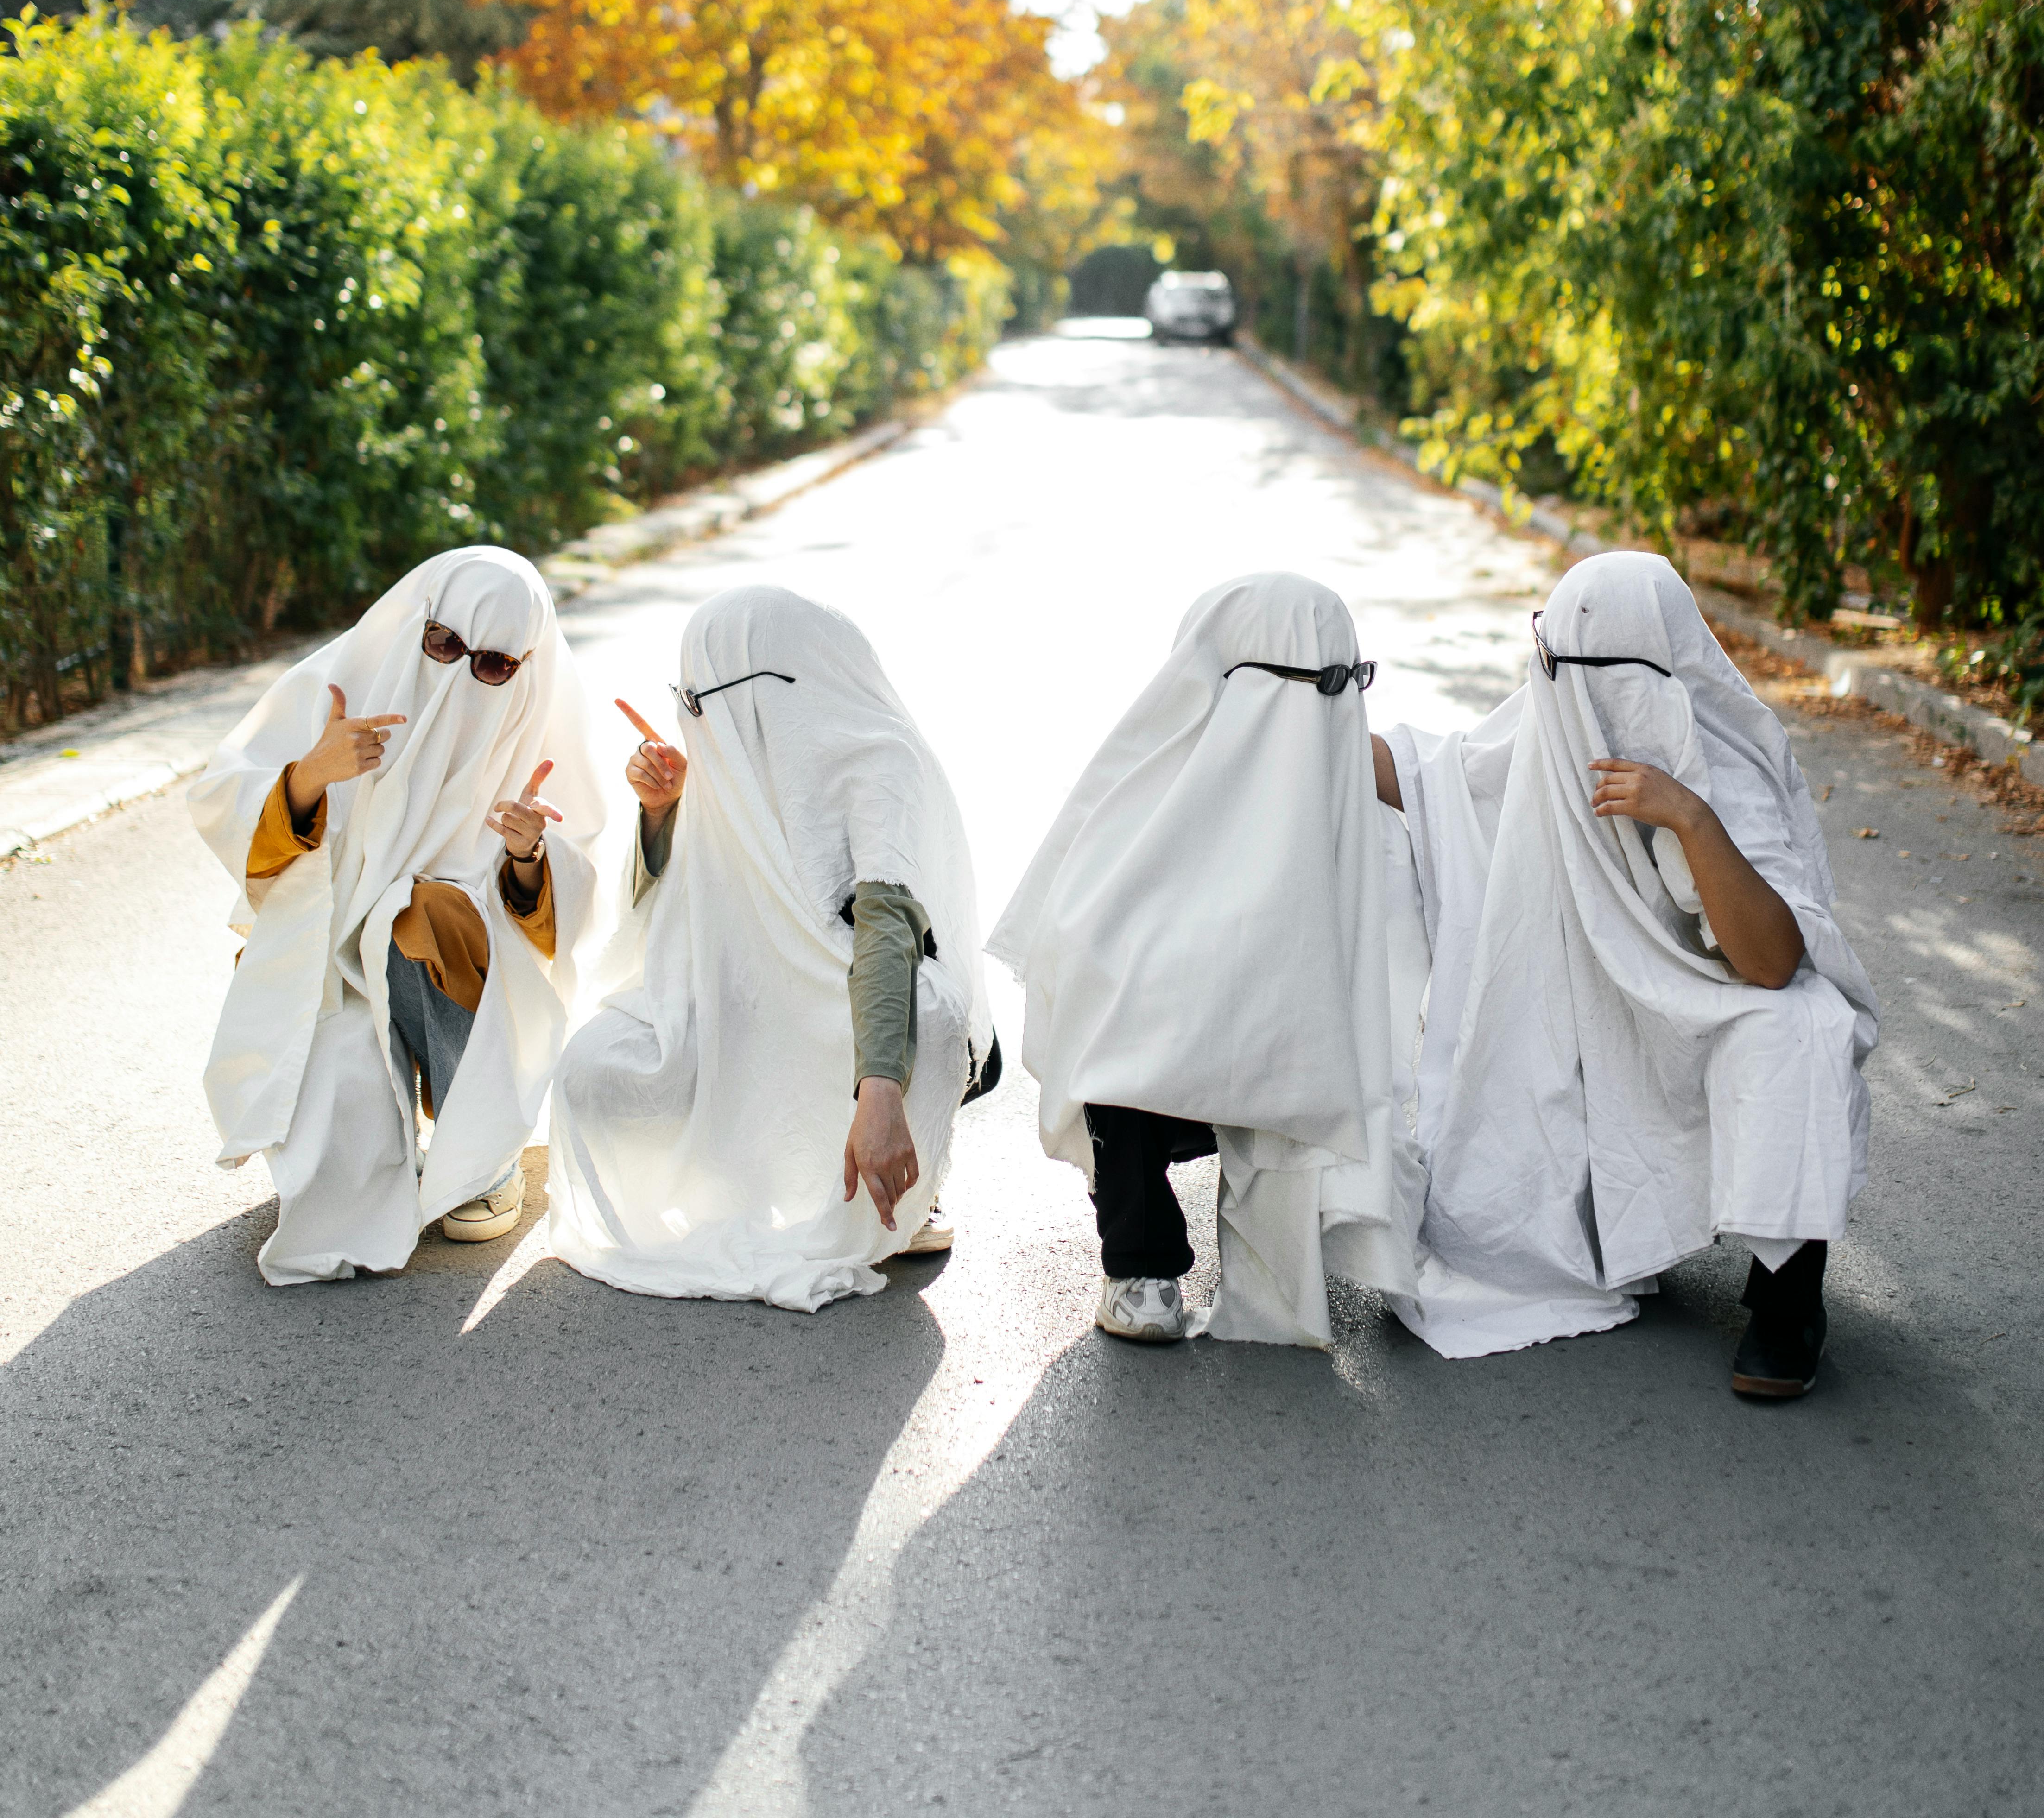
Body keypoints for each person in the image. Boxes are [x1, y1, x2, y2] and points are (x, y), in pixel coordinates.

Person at [1381, 549, 1878, 1394]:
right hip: (1600, 1003)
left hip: (1710, 1002)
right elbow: (1438, 777)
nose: (1579, 700)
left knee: (1799, 1029)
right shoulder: (1554, 721)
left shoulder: (1728, 766)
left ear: (1657, 672)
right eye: (1559, 668)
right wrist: (1295, 705)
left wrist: (1687, 816)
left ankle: (1787, 1300)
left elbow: (1771, 963)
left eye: (1597, 680)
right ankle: (1597, 1236)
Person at [988, 570, 1424, 1349]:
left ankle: (1290, 1246)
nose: (1322, 703)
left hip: (1295, 1071)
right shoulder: (1154, 780)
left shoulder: (1345, 790)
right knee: (1116, 1033)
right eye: (1319, 682)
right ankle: (1142, 1263)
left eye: (1341, 682)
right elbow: (1079, 940)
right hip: (1166, 1078)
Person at [546, 585, 998, 1311]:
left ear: (768, 685)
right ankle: (743, 1177)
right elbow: (678, 910)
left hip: (846, 1006)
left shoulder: (882, 760)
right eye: (686, 700)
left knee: (930, 1012)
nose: (695, 717)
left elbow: (887, 928)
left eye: (703, 700)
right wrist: (665, 813)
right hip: (740, 998)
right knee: (590, 1072)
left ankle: (901, 1184)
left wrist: (882, 1094)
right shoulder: (731, 756)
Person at [189, 546, 608, 1286]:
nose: (457, 678)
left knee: (422, 912)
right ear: (419, 623)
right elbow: (224, 798)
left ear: (526, 668)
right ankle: (391, 1145)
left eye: (493, 666)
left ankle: (479, 1150)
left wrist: (527, 856)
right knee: (338, 1164)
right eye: (443, 645)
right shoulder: (341, 687)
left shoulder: (539, 734)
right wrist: (309, 777)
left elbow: (571, 916)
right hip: (325, 959)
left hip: (452, 969)